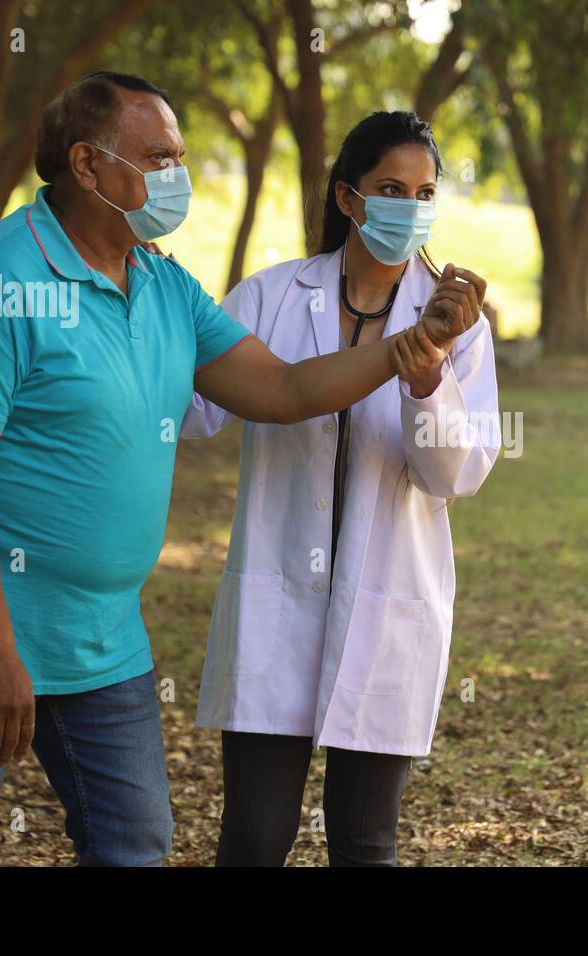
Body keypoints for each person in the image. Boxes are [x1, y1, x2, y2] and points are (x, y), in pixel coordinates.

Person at [0, 74, 475, 867]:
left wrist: (413, 350)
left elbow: (283, 386)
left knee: (133, 843)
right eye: (158, 158)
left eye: (180, 157)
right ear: (87, 166)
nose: (177, 178)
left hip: (105, 637)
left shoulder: (162, 285)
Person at [180, 111, 500, 866]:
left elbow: (453, 474)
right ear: (350, 200)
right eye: (391, 188)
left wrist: (429, 383)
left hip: (388, 606)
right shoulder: (270, 298)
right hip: (275, 602)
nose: (410, 208)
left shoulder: (460, 326)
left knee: (364, 843)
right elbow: (194, 414)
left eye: (425, 193)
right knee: (255, 838)